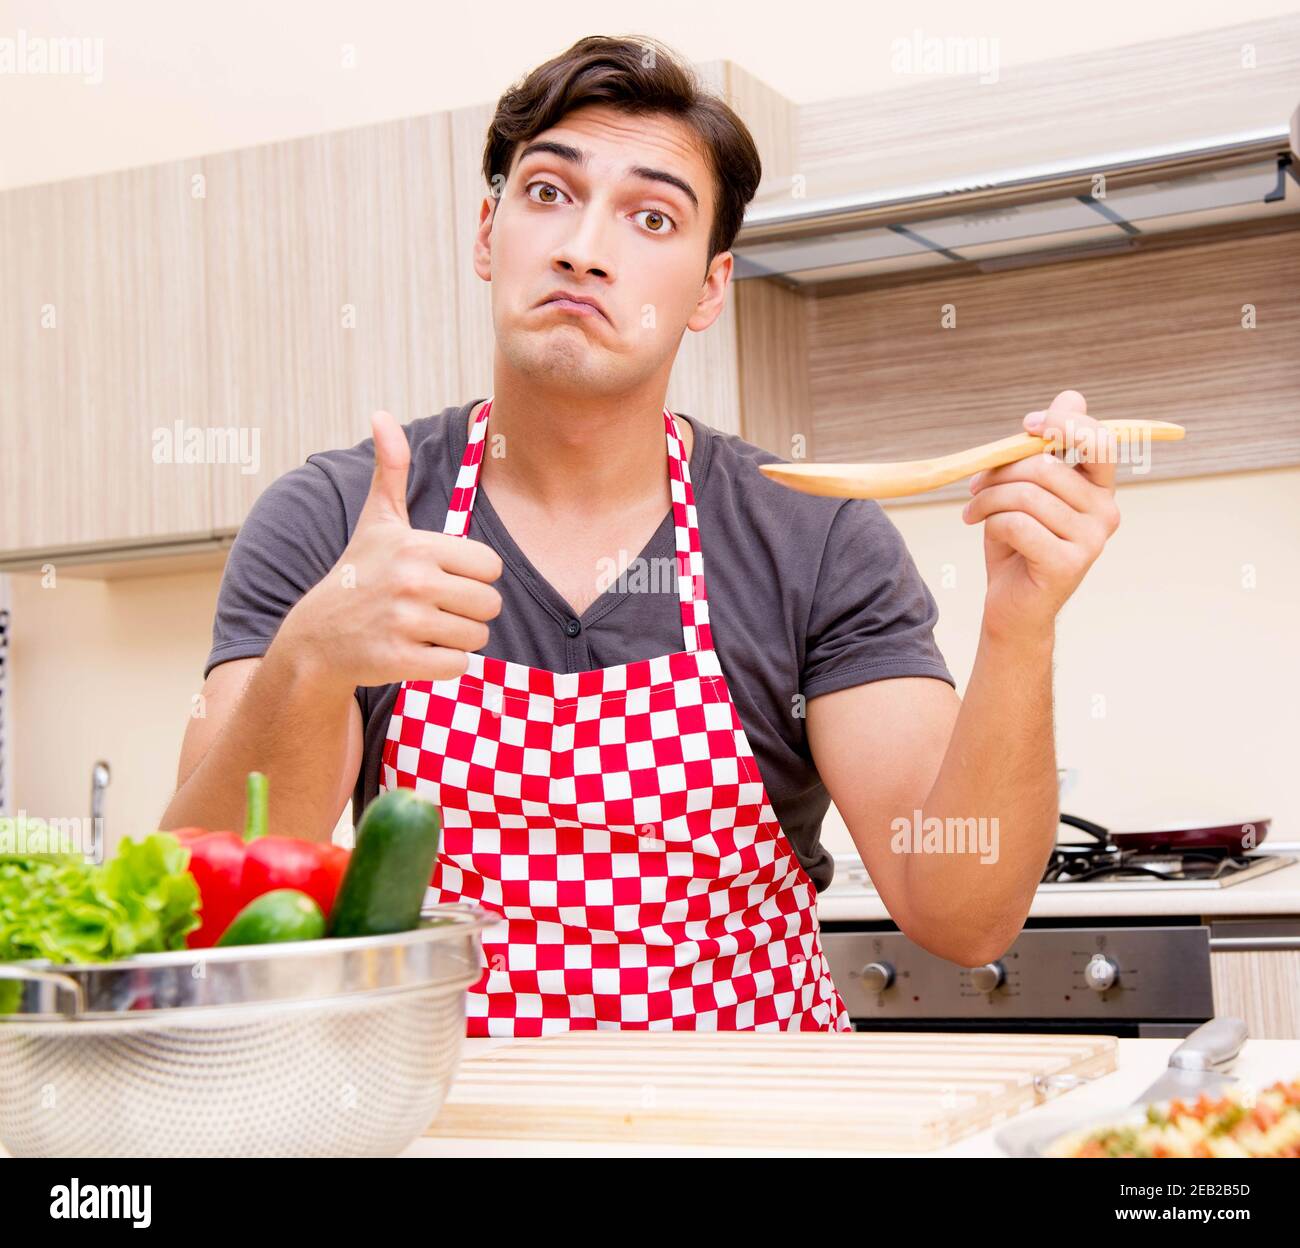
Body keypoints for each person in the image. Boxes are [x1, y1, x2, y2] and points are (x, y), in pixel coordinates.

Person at [161, 35, 1123, 1036]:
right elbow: (199, 913)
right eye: (547, 194)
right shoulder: (334, 519)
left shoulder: (813, 532)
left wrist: (1020, 629)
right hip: (452, 1122)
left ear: (709, 288)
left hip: (760, 1124)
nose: (583, 245)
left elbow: (958, 916)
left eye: (651, 217)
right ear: (488, 234)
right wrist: (308, 662)